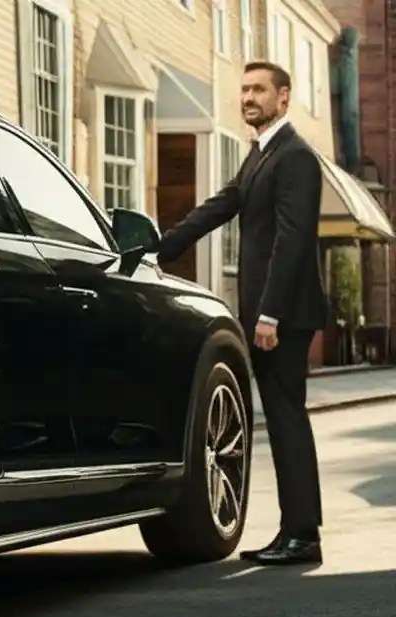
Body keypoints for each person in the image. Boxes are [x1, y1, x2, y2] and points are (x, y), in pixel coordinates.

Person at [156, 61, 327, 566]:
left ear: (284, 97)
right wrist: (159, 248)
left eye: (259, 89)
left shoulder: (295, 156)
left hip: (285, 314)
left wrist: (270, 314)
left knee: (287, 418)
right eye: (245, 89)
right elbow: (221, 205)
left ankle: (303, 535)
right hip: (271, 312)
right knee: (278, 419)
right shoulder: (261, 155)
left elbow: (292, 242)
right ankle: (294, 530)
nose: (248, 97)